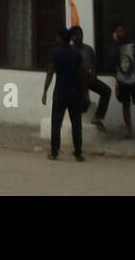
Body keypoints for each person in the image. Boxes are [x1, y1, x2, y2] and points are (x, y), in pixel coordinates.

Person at [42, 27, 88, 161]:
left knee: (56, 124)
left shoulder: (55, 52)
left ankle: (54, 152)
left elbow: (50, 72)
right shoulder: (76, 53)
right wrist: (85, 94)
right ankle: (78, 153)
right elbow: (82, 74)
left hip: (60, 92)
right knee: (76, 124)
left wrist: (45, 91)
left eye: (56, 36)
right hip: (75, 93)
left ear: (60, 38)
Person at [110, 23, 135, 142]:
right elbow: (111, 59)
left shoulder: (134, 44)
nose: (120, 33)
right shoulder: (115, 46)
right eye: (117, 31)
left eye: (122, 31)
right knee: (125, 105)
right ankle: (128, 131)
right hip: (121, 80)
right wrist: (115, 43)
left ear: (125, 31)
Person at [69, 25, 110, 133]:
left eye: (80, 34)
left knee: (106, 91)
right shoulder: (69, 50)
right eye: (76, 35)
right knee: (84, 105)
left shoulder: (88, 49)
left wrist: (93, 75)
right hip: (75, 82)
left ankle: (98, 117)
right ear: (71, 37)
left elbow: (94, 65)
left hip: (89, 79)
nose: (79, 37)